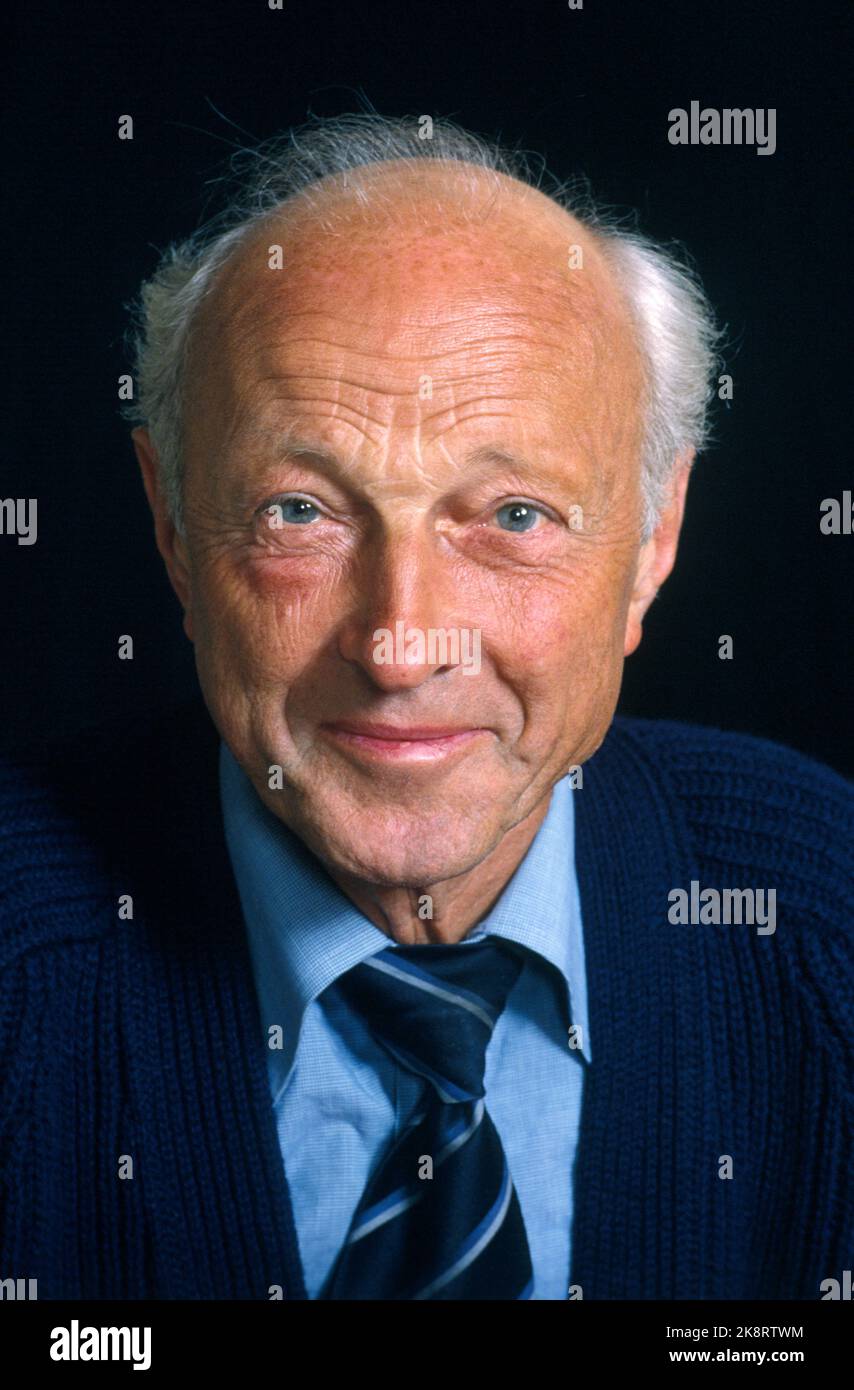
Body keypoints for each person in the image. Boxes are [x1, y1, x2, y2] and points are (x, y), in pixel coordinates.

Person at [1, 114, 850, 1300]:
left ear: (653, 540)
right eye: (300, 511)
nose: (401, 646)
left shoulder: (825, 927)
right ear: (174, 522)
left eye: (511, 517)